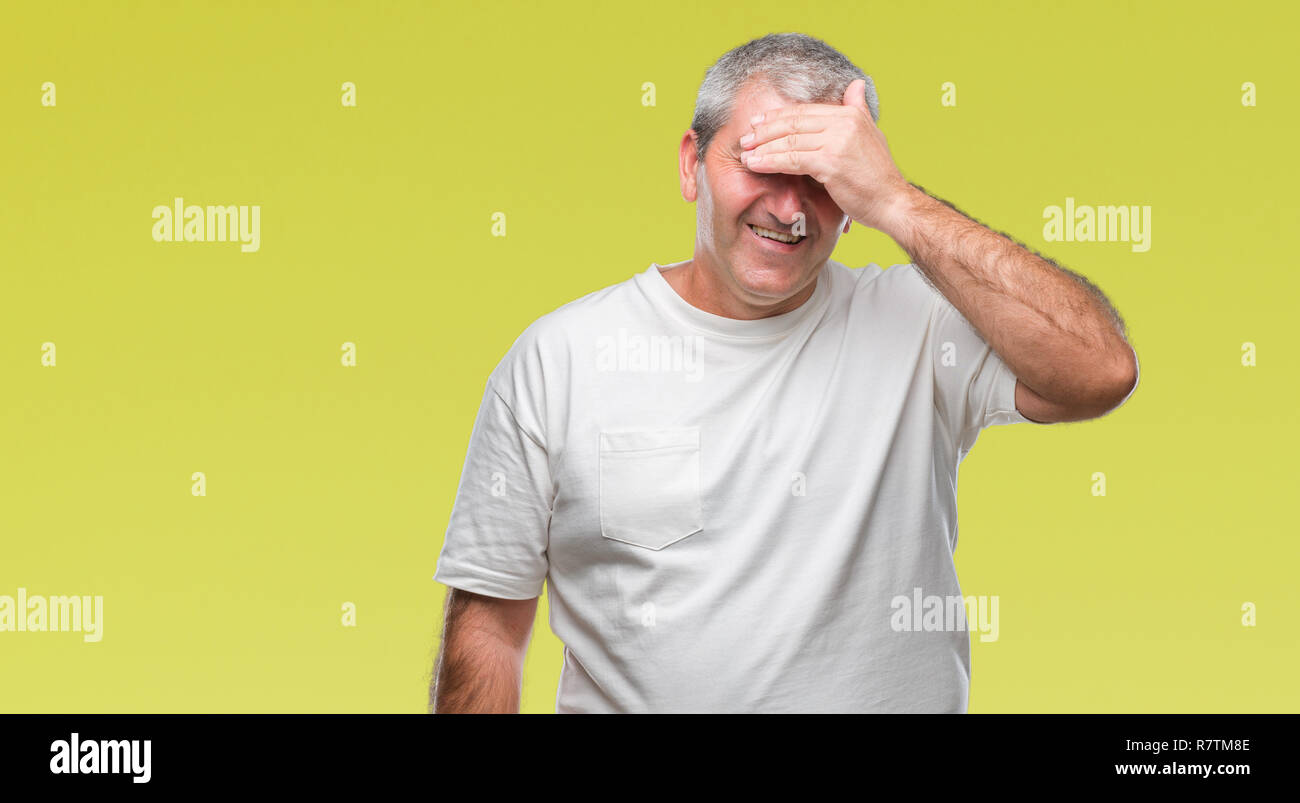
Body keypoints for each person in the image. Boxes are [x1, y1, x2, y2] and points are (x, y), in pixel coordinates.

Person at [429, 32, 1139, 713]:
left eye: (824, 176)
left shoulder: (920, 327)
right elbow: (488, 625)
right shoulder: (561, 359)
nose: (789, 208)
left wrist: (898, 201)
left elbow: (1100, 369)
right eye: (762, 163)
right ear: (690, 164)